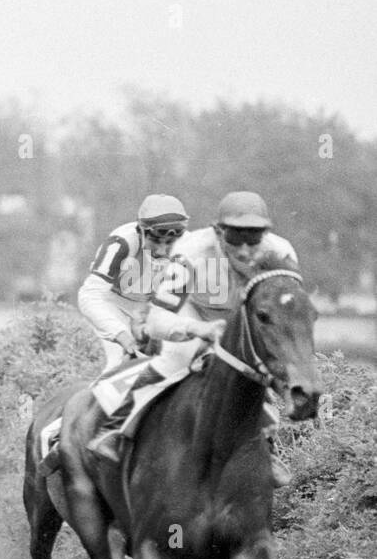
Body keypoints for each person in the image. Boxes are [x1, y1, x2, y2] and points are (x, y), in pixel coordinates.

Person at [89, 191, 296, 486]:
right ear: (218, 231)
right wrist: (199, 330)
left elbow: (285, 309)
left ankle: (267, 448)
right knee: (177, 357)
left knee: (257, 367)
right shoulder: (191, 250)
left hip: (239, 319)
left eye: (255, 237)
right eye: (236, 238)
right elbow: (159, 320)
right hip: (191, 313)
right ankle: (115, 428)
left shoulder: (281, 252)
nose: (246, 249)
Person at [77, 194, 188, 372]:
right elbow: (89, 296)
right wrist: (121, 334)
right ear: (141, 231)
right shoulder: (122, 242)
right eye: (155, 241)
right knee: (120, 363)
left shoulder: (188, 249)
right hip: (111, 306)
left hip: (148, 311)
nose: (161, 250)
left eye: (170, 243)